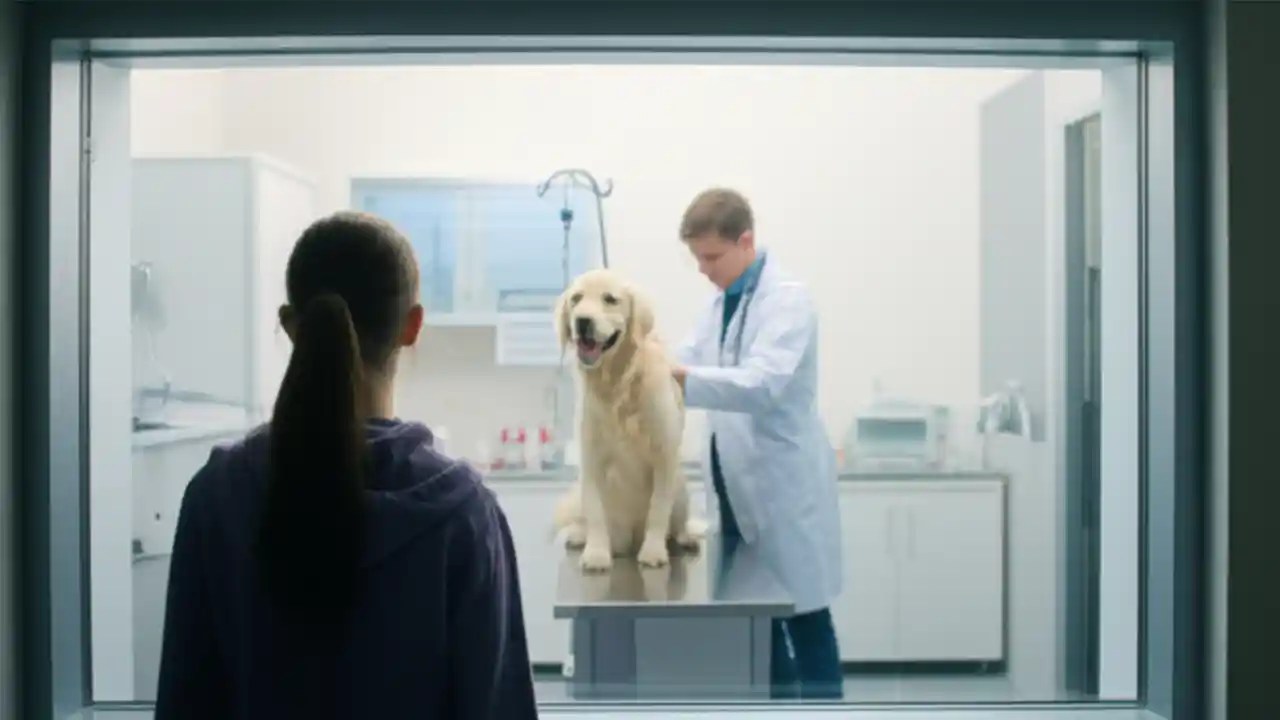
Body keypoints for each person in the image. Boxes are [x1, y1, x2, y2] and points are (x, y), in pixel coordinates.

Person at [154, 211, 539, 719]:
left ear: (293, 326)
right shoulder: (462, 511)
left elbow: (188, 699)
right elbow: (497, 708)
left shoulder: (218, 495)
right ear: (413, 326)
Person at [670, 188, 844, 700]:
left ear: (745, 241)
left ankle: (823, 713)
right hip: (736, 492)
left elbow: (763, 382)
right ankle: (778, 710)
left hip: (782, 491)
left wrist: (678, 378)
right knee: (757, 627)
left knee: (806, 622)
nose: (704, 268)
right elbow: (686, 356)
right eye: (697, 257)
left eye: (712, 257)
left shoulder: (786, 299)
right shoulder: (721, 304)